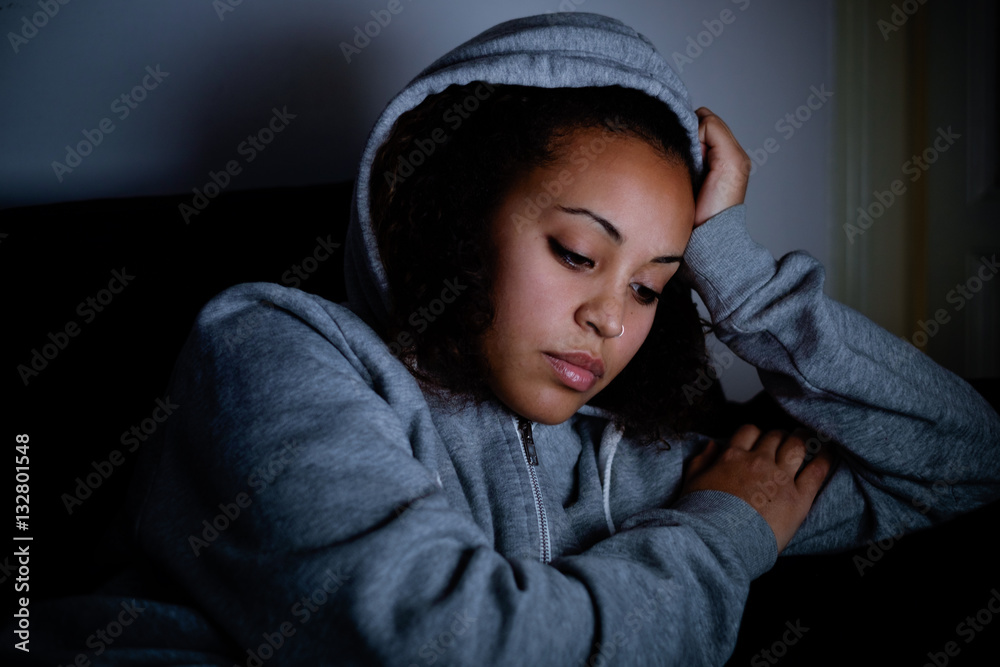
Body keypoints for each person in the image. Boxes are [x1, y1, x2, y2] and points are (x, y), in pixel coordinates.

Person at [19, 12, 1000, 666]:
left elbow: (963, 458)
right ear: (450, 216)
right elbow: (452, 643)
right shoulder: (271, 351)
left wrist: (735, 270)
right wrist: (720, 532)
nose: (612, 317)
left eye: (657, 283)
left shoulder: (637, 455)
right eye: (578, 252)